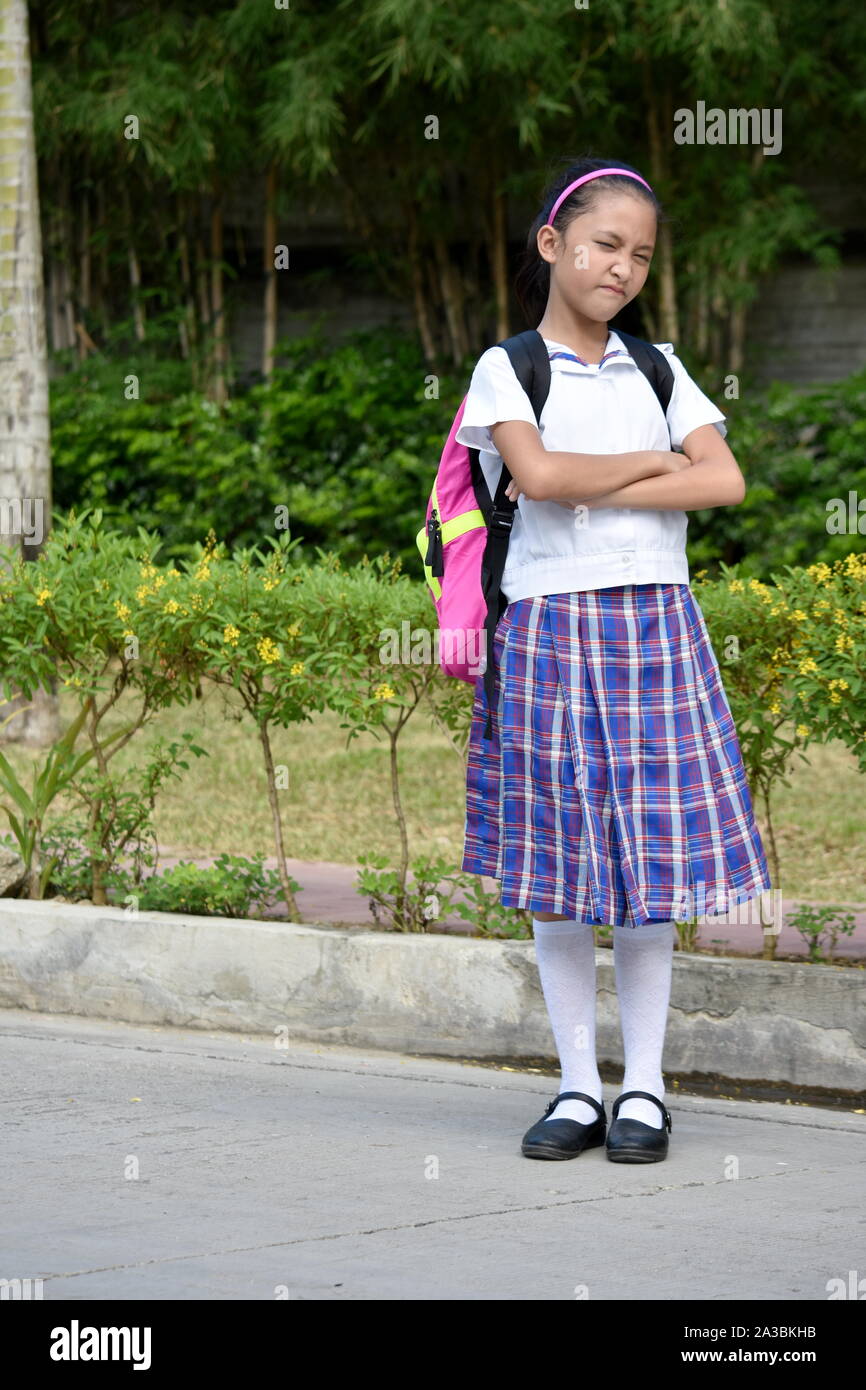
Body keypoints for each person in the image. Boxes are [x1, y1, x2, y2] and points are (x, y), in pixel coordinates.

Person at [454, 154, 773, 1163]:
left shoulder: (660, 367)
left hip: (654, 632)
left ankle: (643, 1088)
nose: (620, 267)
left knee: (646, 865)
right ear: (550, 245)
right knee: (561, 870)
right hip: (547, 631)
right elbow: (538, 475)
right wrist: (651, 459)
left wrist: (632, 472)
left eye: (638, 254)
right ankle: (575, 1085)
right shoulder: (509, 369)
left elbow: (721, 483)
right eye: (601, 245)